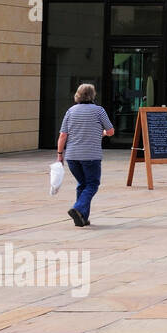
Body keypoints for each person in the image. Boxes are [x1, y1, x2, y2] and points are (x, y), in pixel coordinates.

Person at [56, 83, 115, 227]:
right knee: (92, 184)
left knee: (82, 184)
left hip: (72, 156)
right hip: (91, 156)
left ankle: (82, 218)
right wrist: (103, 133)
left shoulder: (70, 111)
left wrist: (59, 155)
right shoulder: (99, 111)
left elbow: (63, 135)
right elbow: (111, 131)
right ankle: (77, 208)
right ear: (93, 95)